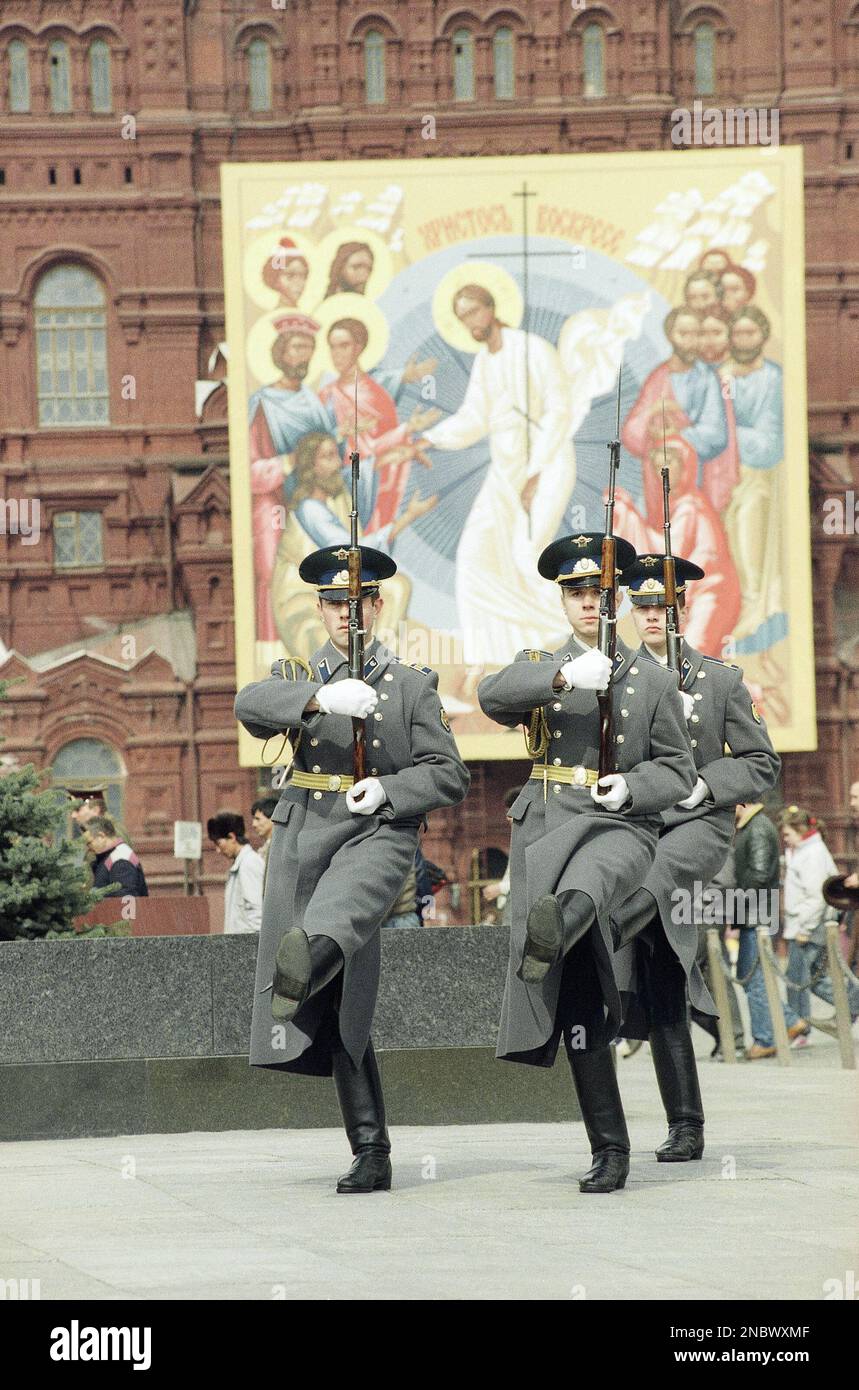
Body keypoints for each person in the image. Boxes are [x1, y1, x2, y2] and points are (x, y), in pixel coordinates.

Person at [233, 544, 470, 1194]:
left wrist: (391, 792)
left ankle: (306, 957)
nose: (345, 614)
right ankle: (370, 1149)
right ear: (320, 609)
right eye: (333, 603)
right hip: (304, 838)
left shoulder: (411, 684)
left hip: (373, 838)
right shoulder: (297, 672)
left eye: (356, 602)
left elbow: (449, 773)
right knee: (337, 1002)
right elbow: (251, 706)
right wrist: (317, 697)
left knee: (337, 960)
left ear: (377, 605)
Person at [478, 533, 697, 1194]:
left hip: (618, 825)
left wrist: (633, 787)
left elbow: (677, 771)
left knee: (584, 892)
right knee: (575, 998)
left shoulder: (653, 679)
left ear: (616, 598)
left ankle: (558, 922)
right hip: (550, 822)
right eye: (573, 592)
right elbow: (493, 696)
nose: (584, 603)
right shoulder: (543, 662)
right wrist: (562, 678)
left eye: (595, 592)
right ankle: (609, 1147)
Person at [611, 554, 780, 1156]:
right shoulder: (616, 679)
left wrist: (706, 783)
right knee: (662, 980)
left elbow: (762, 762)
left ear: (681, 608)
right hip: (636, 826)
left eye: (662, 606)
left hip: (696, 828)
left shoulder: (718, 680)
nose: (652, 616)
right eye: (642, 607)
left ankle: (604, 926)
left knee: (650, 904)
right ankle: (685, 1125)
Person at [416, 283, 576, 668]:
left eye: (474, 311)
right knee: (476, 557)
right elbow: (474, 418)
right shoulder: (486, 360)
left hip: (547, 461)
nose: (470, 321)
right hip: (505, 472)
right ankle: (492, 661)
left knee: (526, 557)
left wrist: (535, 473)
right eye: (462, 316)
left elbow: (559, 410)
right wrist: (427, 439)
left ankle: (563, 646)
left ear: (490, 307)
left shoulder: (532, 348)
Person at [247, 314, 339, 642]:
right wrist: (288, 462)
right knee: (275, 576)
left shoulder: (313, 400)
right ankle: (276, 653)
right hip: (275, 505)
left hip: (312, 501)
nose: (303, 355)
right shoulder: (263, 404)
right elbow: (251, 473)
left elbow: (329, 453)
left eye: (308, 348)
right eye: (296, 347)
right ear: (280, 352)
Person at [612, 433, 740, 656]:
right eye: (657, 463)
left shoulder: (690, 506)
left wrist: (630, 516)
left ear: (685, 465)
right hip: (695, 594)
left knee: (694, 658)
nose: (662, 469)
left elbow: (669, 555)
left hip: (709, 594)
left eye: (670, 461)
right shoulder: (679, 504)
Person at [318, 318, 440, 531]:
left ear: (359, 347)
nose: (336, 353)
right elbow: (315, 446)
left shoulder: (377, 396)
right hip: (331, 490)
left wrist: (406, 430)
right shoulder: (325, 396)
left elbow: (379, 451)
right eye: (332, 347)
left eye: (344, 346)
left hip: (371, 491)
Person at [722, 306, 785, 647]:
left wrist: (729, 435)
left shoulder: (773, 379)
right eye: (738, 333)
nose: (743, 340)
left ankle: (752, 605)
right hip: (721, 477)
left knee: (749, 520)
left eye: (750, 333)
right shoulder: (720, 377)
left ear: (762, 335)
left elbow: (769, 445)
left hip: (757, 478)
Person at [620, 306, 728, 504]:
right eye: (684, 334)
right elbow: (631, 433)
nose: (690, 342)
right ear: (670, 336)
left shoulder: (707, 379)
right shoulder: (658, 378)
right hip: (657, 481)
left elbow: (716, 433)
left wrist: (676, 434)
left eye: (697, 334)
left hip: (696, 480)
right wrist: (652, 413)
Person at [780, 807, 859, 1033]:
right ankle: (845, 1007)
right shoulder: (802, 850)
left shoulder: (812, 853)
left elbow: (816, 896)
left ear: (800, 830)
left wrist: (804, 928)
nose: (785, 840)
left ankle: (798, 1025)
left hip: (808, 926)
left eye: (787, 834)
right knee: (813, 980)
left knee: (798, 979)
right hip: (805, 924)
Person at [731, 800, 796, 1058]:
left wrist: (733, 904)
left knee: (754, 977)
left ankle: (766, 1038)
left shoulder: (757, 827)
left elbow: (757, 875)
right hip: (755, 913)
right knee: (752, 974)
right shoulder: (754, 825)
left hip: (756, 915)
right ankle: (790, 1021)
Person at [208, 812, 264, 935]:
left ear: (232, 837)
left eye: (219, 843)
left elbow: (257, 911)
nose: (218, 850)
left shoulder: (249, 863)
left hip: (246, 946)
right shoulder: (242, 864)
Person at [85, 816, 149, 898]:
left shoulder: (120, 859)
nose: (88, 847)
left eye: (89, 843)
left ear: (101, 836)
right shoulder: (109, 856)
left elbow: (124, 900)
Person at [261, 238, 309, 308]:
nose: (298, 283)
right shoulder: (274, 317)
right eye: (290, 275)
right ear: (275, 279)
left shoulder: (302, 316)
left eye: (302, 276)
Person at [251, 796, 279, 868]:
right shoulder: (266, 847)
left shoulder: (279, 849)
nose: (254, 824)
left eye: (258, 819)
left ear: (273, 819)